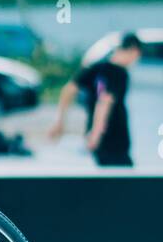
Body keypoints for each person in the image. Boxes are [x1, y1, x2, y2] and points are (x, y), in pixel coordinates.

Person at [48, 32, 142, 167]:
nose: (134, 61)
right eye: (136, 57)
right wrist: (96, 134)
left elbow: (68, 90)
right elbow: (105, 101)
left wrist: (60, 121)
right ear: (133, 50)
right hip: (114, 138)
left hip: (98, 140)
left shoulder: (96, 68)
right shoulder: (120, 73)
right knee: (124, 181)